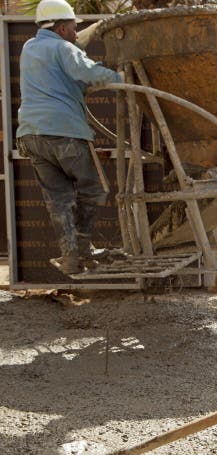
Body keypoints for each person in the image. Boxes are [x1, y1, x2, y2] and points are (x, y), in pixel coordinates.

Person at [16, 0, 122, 275]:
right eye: (74, 28)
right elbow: (85, 72)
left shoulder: (29, 48)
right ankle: (83, 246)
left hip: (31, 136)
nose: (77, 33)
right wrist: (119, 76)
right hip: (64, 132)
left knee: (59, 200)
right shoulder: (63, 48)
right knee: (95, 188)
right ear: (62, 28)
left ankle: (71, 256)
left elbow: (64, 71)